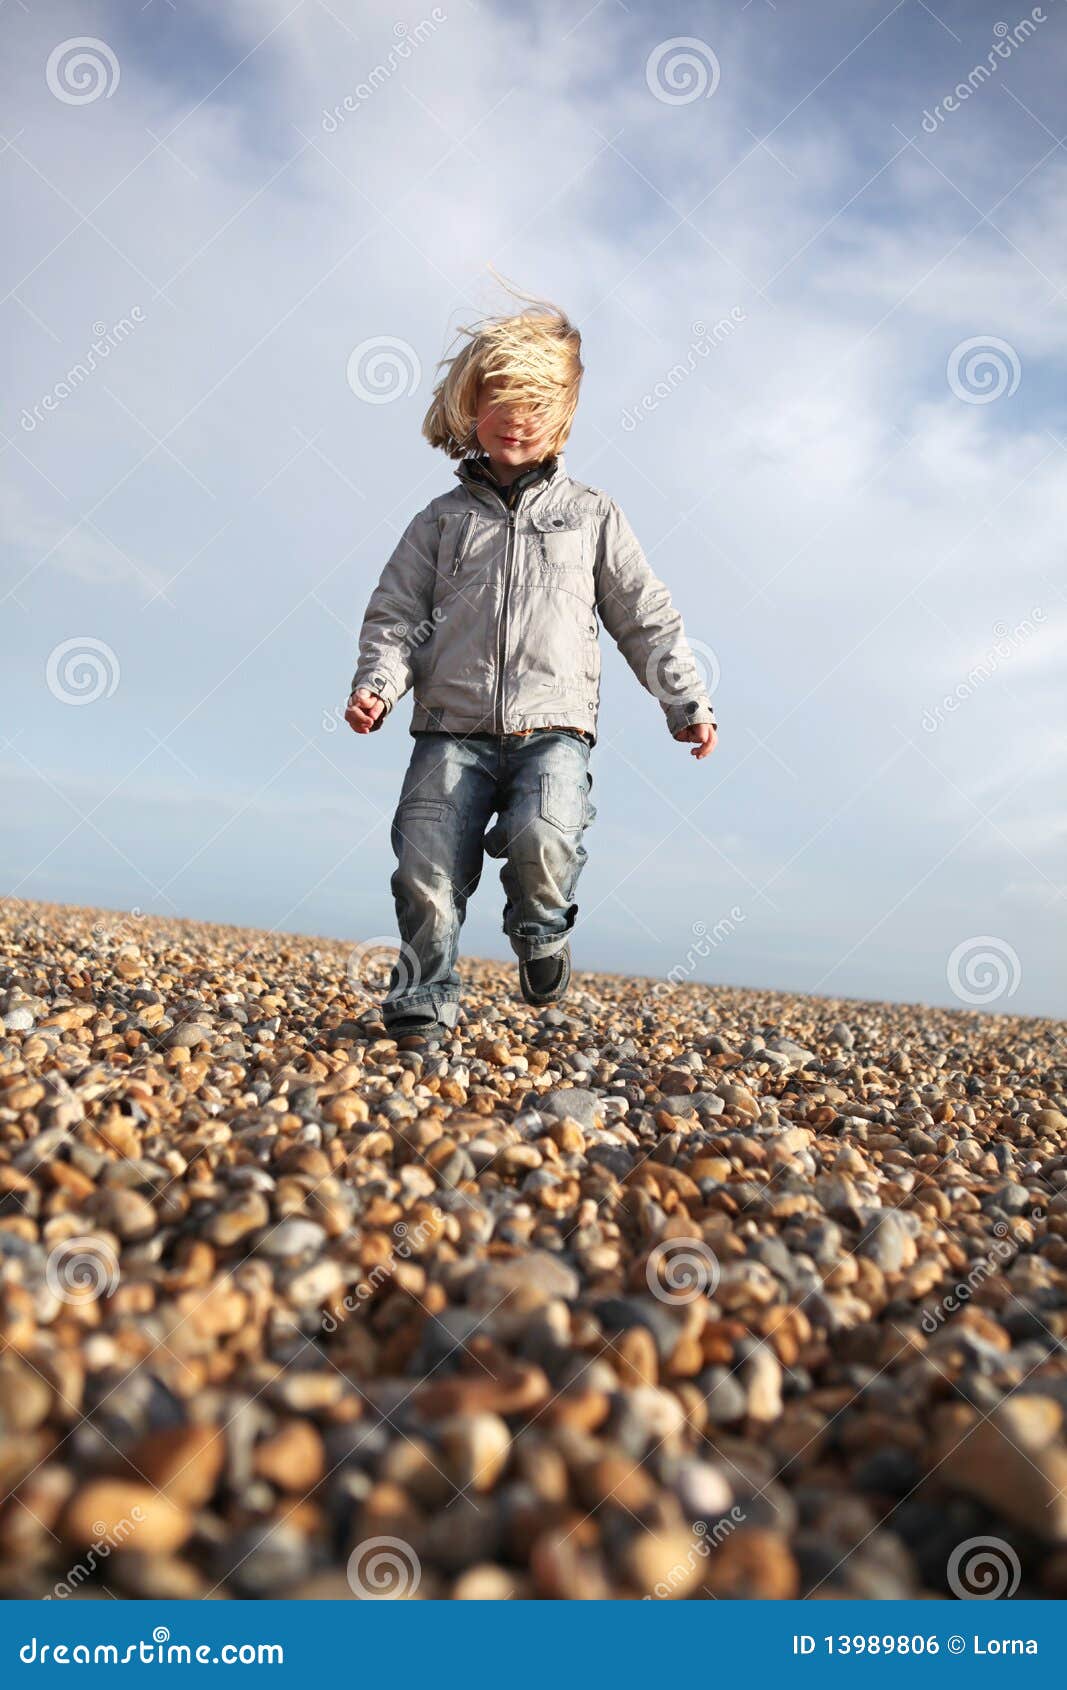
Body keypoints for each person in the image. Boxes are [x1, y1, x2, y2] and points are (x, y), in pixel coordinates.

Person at [347, 284, 717, 1044]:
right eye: (501, 399)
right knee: (425, 865)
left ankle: (540, 929)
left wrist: (685, 701)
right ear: (468, 408)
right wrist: (378, 684)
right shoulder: (441, 522)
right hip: (450, 727)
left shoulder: (590, 516)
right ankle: (422, 997)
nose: (518, 417)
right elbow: (395, 613)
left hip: (553, 729)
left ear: (564, 420)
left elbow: (642, 616)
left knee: (544, 840)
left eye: (537, 405)